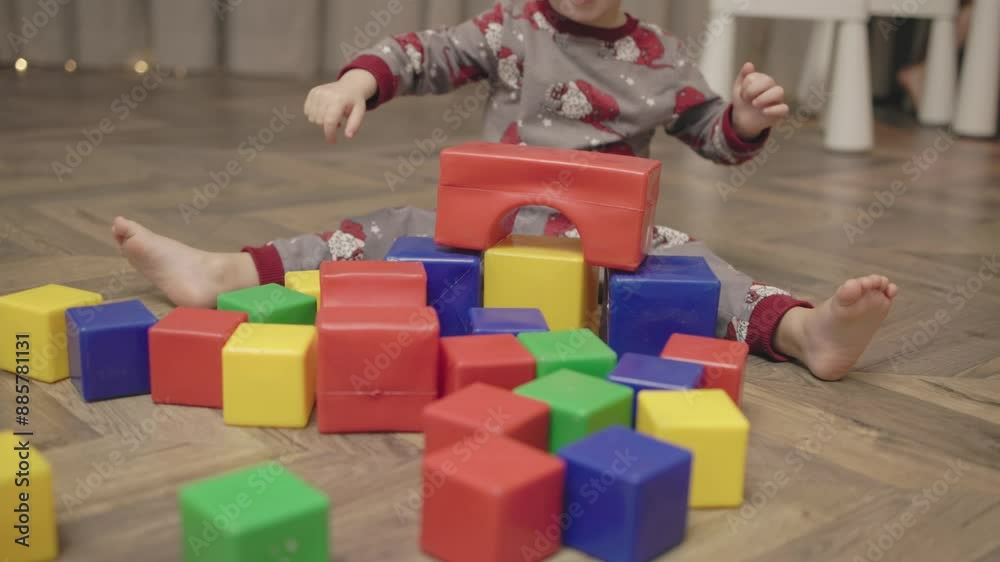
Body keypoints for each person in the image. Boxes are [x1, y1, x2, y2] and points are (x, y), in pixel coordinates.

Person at [111, 0, 897, 381]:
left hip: (608, 243)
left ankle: (804, 333)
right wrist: (357, 80)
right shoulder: (511, 28)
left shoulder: (661, 57)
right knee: (383, 228)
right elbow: (424, 53)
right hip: (487, 231)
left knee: (694, 261)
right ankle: (223, 272)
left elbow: (712, 136)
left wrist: (745, 119)